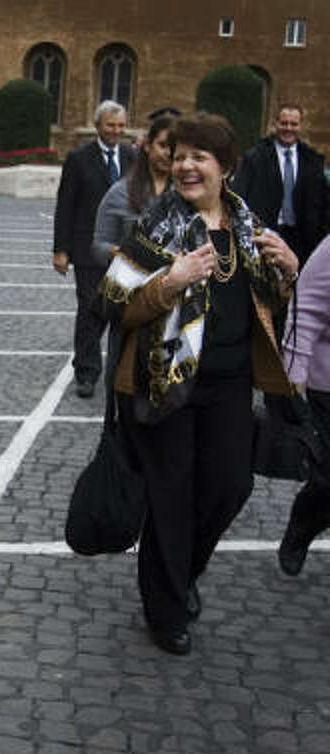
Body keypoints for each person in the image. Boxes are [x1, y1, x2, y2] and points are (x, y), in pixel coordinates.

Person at [98, 113, 299, 656]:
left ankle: (181, 571)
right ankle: (165, 608)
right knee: (171, 495)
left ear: (226, 167)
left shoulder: (246, 225)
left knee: (231, 485)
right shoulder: (157, 225)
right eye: (180, 155)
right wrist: (170, 282)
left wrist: (288, 270)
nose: (186, 165)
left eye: (199, 157)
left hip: (231, 385)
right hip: (165, 384)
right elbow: (113, 303)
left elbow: (265, 304)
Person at [53, 100, 137, 398]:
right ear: (98, 125)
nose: (115, 130)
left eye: (120, 125)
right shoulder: (79, 159)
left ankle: (121, 371)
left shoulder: (132, 157)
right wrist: (60, 250)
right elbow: (66, 206)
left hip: (125, 251)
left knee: (124, 312)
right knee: (90, 310)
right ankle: (87, 372)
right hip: (88, 249)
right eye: (110, 125)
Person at [277, 233, 330, 575]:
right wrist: (292, 377)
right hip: (327, 385)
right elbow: (306, 308)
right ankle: (304, 523)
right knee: (328, 478)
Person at [231, 103, 329, 270]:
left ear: (301, 126)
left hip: (303, 240)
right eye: (284, 123)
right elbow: (239, 197)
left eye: (294, 124)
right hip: (266, 235)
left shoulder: (313, 161)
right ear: (275, 124)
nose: (288, 128)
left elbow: (324, 203)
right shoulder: (255, 158)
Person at [92, 112, 176, 266]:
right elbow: (100, 245)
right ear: (147, 145)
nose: (168, 153)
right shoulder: (120, 192)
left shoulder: (189, 194)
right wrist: (125, 253)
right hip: (130, 282)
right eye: (162, 145)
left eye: (174, 147)